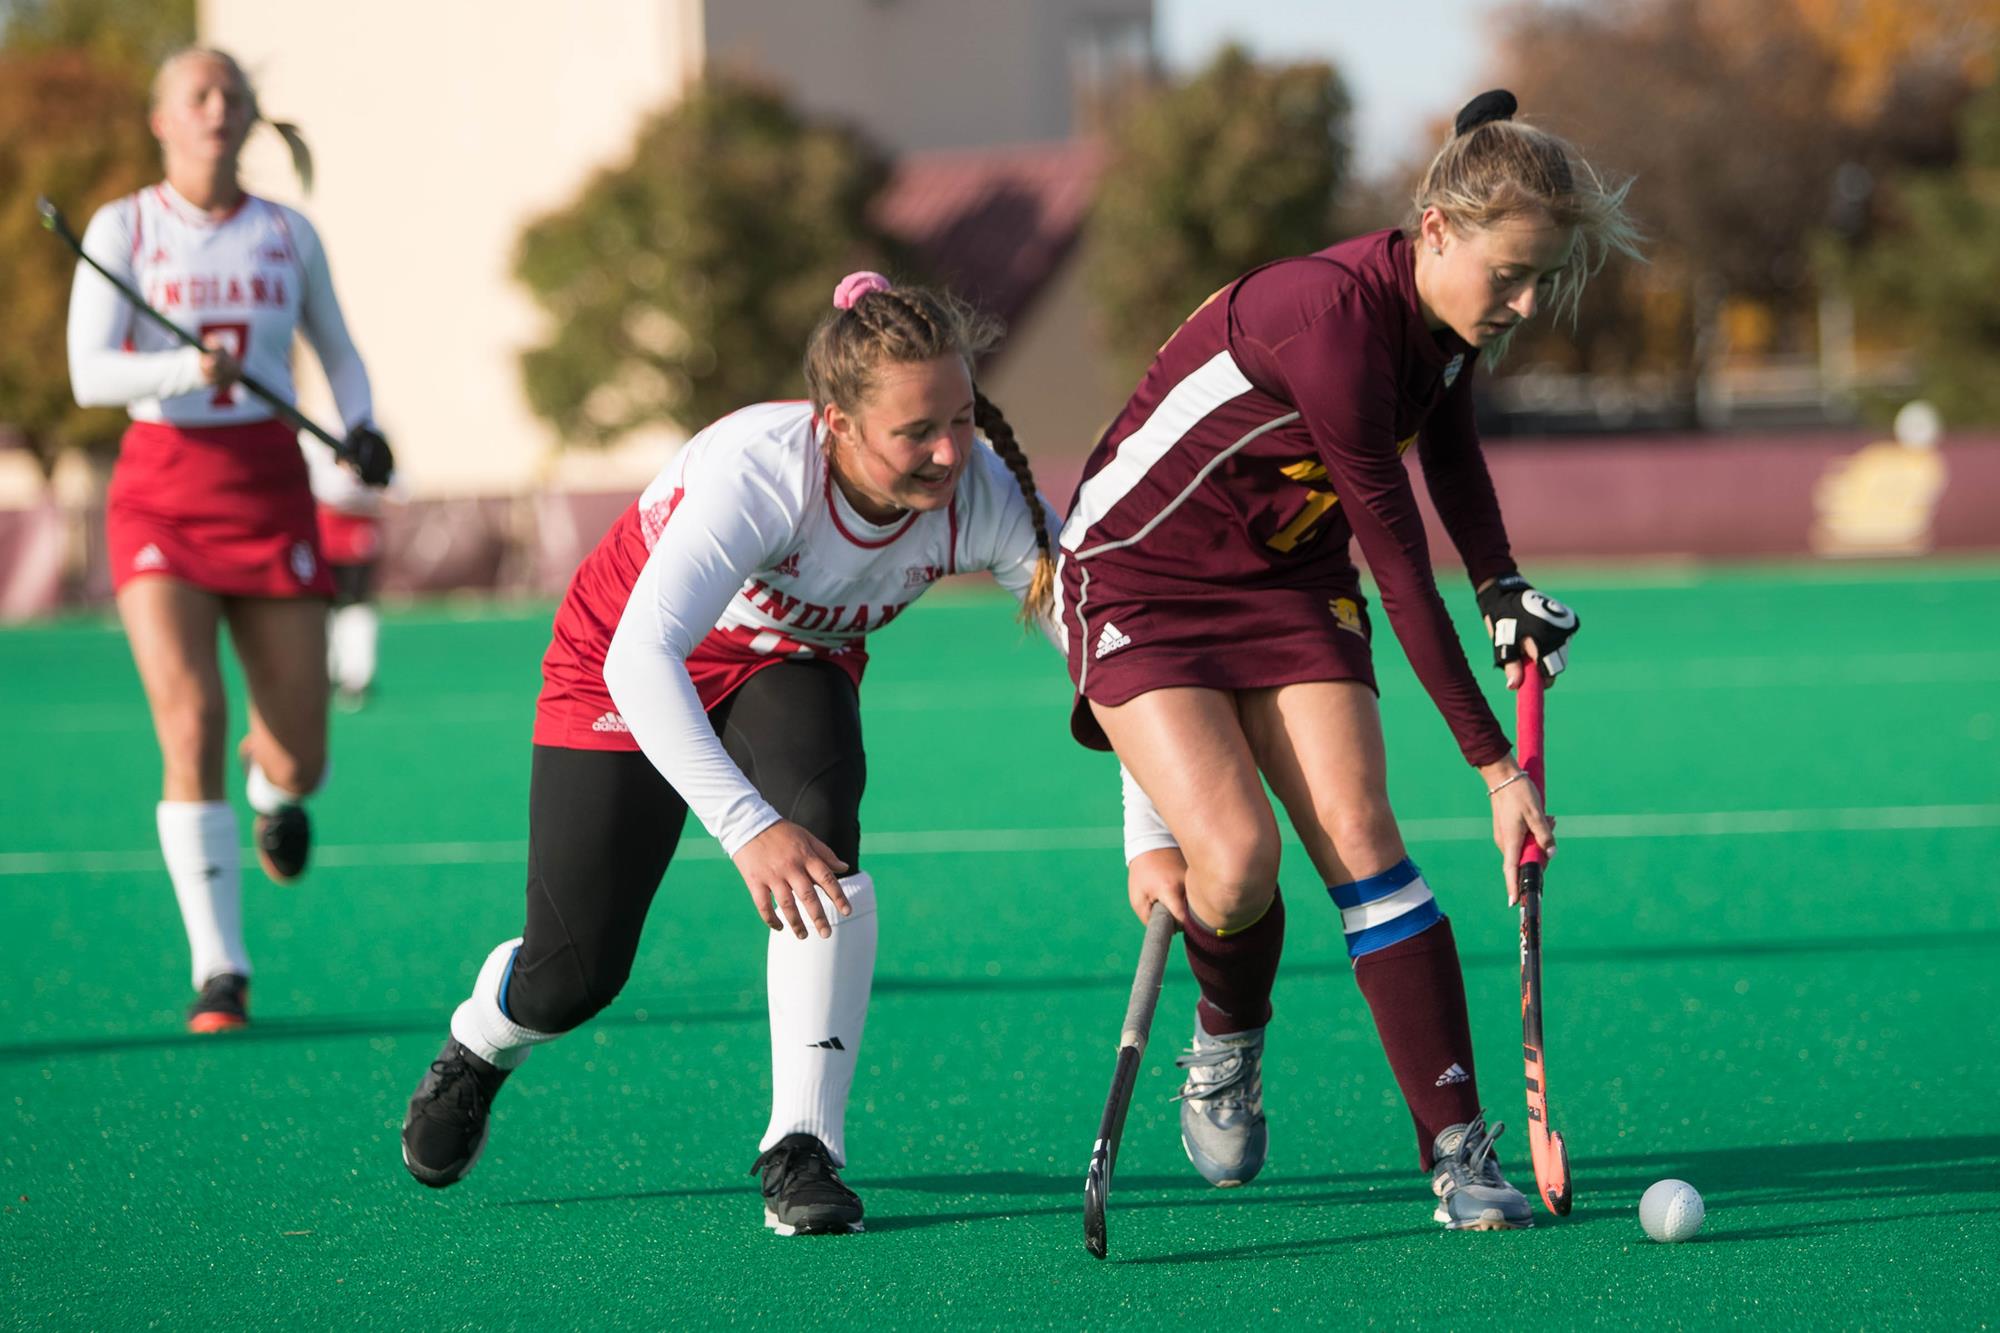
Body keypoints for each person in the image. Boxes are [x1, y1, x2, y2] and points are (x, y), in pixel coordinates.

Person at [400, 274, 1158, 1235]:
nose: (947, 452)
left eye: (962, 418)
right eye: (916, 430)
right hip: (622, 663)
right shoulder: (758, 473)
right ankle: (480, 1043)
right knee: (573, 975)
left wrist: (1154, 826)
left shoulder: (985, 497)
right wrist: (746, 828)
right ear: (836, 423)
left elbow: (1110, 672)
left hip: (790, 663)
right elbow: (645, 655)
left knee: (824, 826)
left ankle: (801, 1148)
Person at [1058, 91, 1640, 1230]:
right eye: (1507, 277)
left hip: (1283, 576)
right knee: (1232, 863)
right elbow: (1398, 567)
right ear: (1434, 232)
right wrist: (1493, 769)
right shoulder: (1325, 321)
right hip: (1140, 572)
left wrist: (1503, 586)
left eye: (1538, 281)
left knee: (1367, 843)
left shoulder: (1443, 327)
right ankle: (1227, 1028)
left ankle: (1458, 1150)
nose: (1521, 304)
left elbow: (1455, 455)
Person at [65, 48, 391, 1033]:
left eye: (232, 97)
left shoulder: (287, 234)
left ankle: (269, 785)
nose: (218, 110)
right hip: (161, 494)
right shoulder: (123, 227)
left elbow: (337, 348)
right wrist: (177, 370)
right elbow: (90, 372)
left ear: (250, 120)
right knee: (189, 714)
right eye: (198, 97)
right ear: (162, 119)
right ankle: (221, 969)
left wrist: (364, 425)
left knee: (299, 761)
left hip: (270, 490)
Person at [304, 434, 388, 710]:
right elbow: (319, 484)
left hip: (357, 534)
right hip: (322, 533)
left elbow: (389, 480)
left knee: (356, 605)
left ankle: (356, 676)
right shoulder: (312, 436)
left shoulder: (368, 431)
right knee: (320, 605)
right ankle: (321, 673)